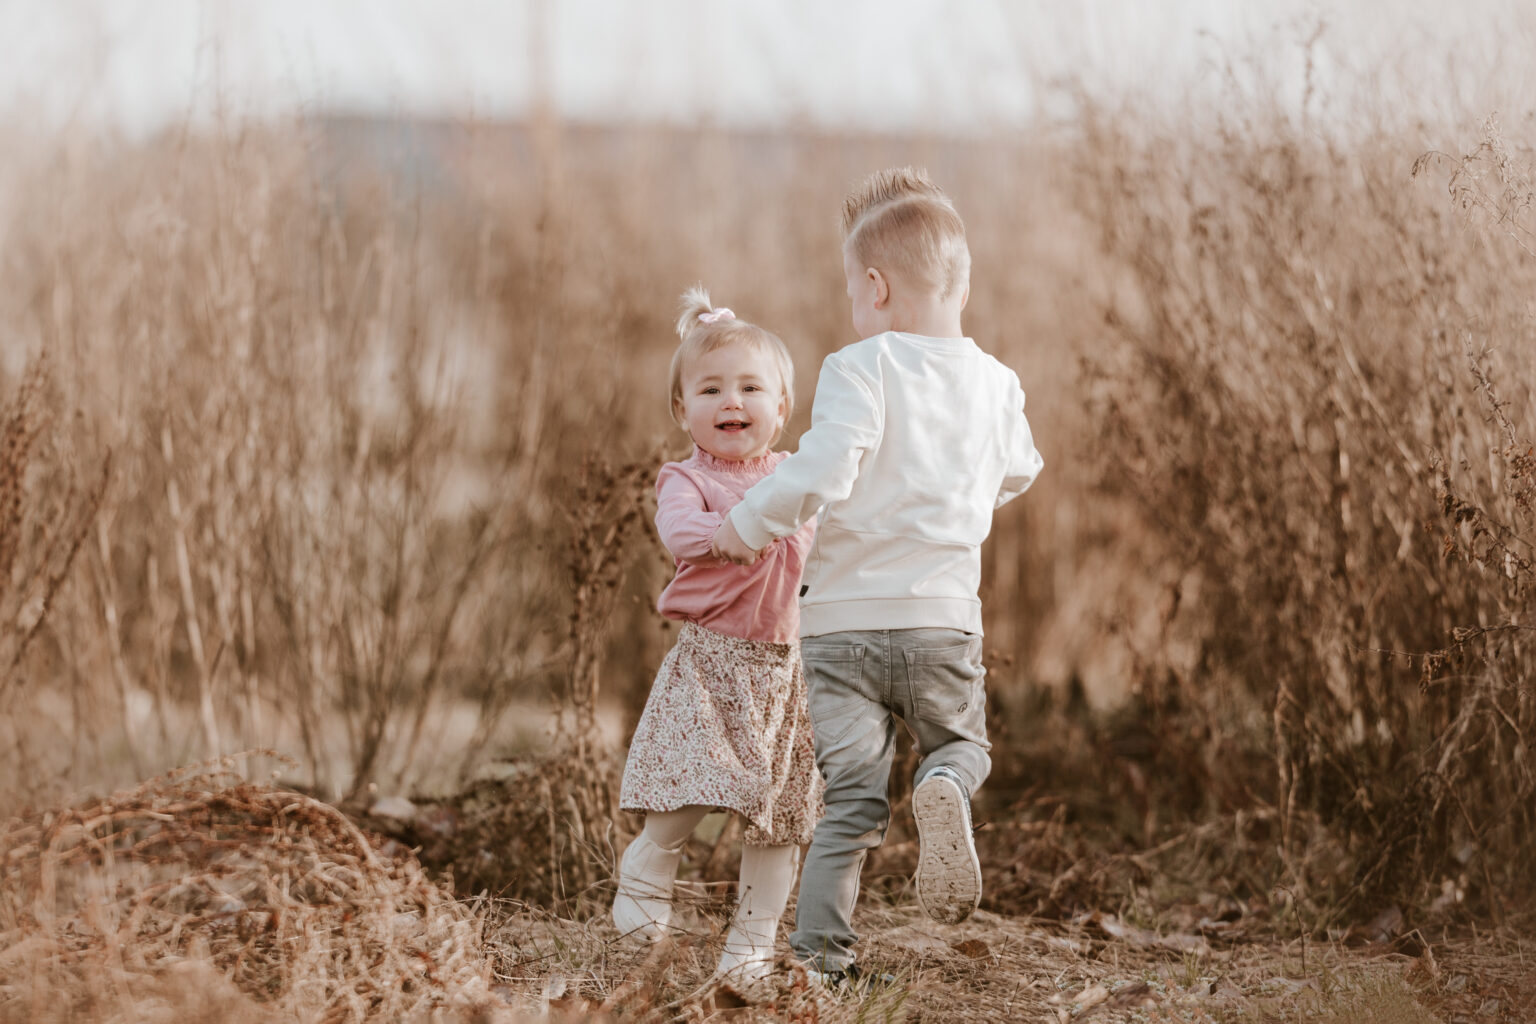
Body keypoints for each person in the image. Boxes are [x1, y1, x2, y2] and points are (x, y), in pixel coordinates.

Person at [712, 167, 1044, 984]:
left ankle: (822, 959)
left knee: (852, 801)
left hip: (841, 628)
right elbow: (1023, 470)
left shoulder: (859, 367)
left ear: (875, 286)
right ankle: (943, 786)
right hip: (941, 620)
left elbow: (824, 472)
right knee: (963, 745)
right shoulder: (998, 384)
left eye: (854, 294)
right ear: (960, 285)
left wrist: (747, 526)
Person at [613, 287, 822, 985]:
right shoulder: (688, 480)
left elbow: (836, 532)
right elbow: (677, 531)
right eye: (710, 389)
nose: (732, 401)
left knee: (780, 816)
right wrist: (732, 531)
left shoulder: (797, 477)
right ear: (683, 410)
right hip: (714, 660)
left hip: (784, 670)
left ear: (782, 406)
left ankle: (751, 947)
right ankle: (648, 867)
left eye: (750, 387)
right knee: (693, 784)